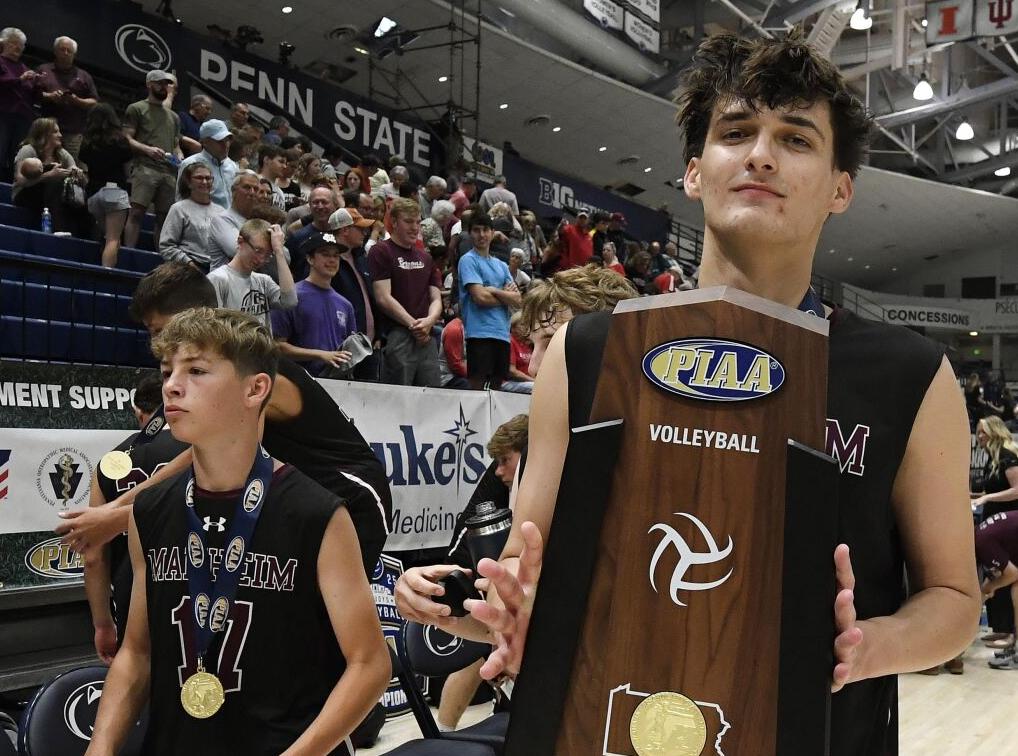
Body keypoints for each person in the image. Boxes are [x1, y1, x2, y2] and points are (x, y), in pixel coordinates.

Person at [426, 33, 982, 756]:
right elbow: (525, 570)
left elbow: (956, 600)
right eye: (736, 132)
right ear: (694, 173)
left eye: (796, 138)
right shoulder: (587, 351)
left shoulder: (910, 376)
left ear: (841, 188)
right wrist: (490, 607)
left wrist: (867, 646)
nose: (760, 155)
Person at [83, 307, 390, 756]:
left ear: (256, 388)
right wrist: (101, 747)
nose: (171, 384)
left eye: (197, 370)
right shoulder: (148, 511)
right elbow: (137, 653)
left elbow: (369, 664)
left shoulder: (317, 513)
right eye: (168, 371)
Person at [57, 262, 393, 580]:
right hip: (298, 498)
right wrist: (114, 507)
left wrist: (116, 518)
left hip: (350, 494)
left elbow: (221, 462)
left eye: (158, 330)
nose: (155, 344)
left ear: (194, 316)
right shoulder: (213, 370)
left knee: (321, 626)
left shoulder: (249, 369)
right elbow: (200, 458)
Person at [393, 265, 637, 625]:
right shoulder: (530, 449)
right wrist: (436, 605)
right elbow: (505, 617)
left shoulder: (660, 445)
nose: (536, 366)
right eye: (532, 345)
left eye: (553, 342)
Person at [84, 371, 190, 663]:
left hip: (133, 600)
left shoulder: (109, 463)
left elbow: (93, 555)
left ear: (138, 412)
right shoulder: (202, 451)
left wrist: (103, 623)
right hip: (197, 592)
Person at [437, 414, 529, 732]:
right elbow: (459, 558)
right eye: (496, 463)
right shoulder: (491, 498)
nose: (499, 470)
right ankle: (445, 732)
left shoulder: (540, 471)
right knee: (480, 651)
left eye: (505, 461)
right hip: (477, 573)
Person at [369, 197, 443, 387]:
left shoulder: (426, 257)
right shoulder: (381, 251)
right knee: (398, 398)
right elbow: (383, 297)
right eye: (408, 221)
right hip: (398, 334)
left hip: (426, 335)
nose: (415, 227)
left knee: (433, 396)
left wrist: (429, 321)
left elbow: (436, 298)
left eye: (418, 222)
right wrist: (415, 325)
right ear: (393, 222)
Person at [271, 231, 356, 377]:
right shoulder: (292, 297)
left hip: (337, 384)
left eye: (335, 255)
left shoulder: (345, 304)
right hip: (299, 381)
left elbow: (350, 351)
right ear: (310, 259)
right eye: (325, 254)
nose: (332, 260)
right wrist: (320, 355)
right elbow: (276, 346)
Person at [457, 212, 521, 390]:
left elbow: (517, 299)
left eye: (485, 230)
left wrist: (492, 290)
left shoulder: (501, 265)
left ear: (492, 233)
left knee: (497, 389)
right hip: (479, 333)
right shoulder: (468, 260)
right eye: (476, 230)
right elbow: (480, 297)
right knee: (477, 388)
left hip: (502, 334)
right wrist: (503, 295)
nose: (481, 235)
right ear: (470, 234)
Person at [971, 415, 1018, 645]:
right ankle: (1001, 629)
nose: (979, 436)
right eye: (978, 432)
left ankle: (1011, 634)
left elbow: (1016, 490)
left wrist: (987, 497)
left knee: (1008, 575)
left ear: (995, 432)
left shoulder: (1009, 456)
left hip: (1009, 525)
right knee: (998, 574)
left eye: (983, 432)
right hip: (995, 521)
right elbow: (992, 491)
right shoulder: (994, 459)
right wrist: (976, 496)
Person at [123, 70, 183, 248]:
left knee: (164, 218)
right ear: (149, 84)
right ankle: (128, 252)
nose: (163, 87)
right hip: (145, 167)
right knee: (136, 213)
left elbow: (176, 143)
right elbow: (127, 138)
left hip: (168, 171)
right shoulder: (137, 108)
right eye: (159, 83)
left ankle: (160, 257)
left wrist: (179, 155)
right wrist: (147, 149)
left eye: (166, 84)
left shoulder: (174, 117)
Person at [207, 218, 297, 330]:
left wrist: (278, 251)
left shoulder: (263, 281)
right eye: (258, 250)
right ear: (240, 242)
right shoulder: (218, 279)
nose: (261, 260)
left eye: (267, 255)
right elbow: (214, 328)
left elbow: (290, 302)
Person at [12, 116, 88, 234]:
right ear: (44, 134)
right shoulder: (28, 150)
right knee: (55, 183)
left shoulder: (62, 153)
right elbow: (20, 181)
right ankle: (58, 229)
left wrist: (78, 175)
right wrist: (48, 175)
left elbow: (80, 177)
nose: (60, 135)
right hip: (25, 194)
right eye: (55, 132)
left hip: (51, 196)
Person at [80, 104, 134, 267]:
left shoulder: (87, 143)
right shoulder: (119, 140)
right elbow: (128, 170)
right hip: (114, 191)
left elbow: (85, 169)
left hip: (93, 194)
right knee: (113, 239)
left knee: (107, 236)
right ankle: (107, 276)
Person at [34, 36, 98, 162]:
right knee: (39, 162)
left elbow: (94, 102)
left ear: (74, 54)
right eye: (62, 49)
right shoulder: (43, 70)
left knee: (67, 167)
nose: (66, 53)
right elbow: (32, 94)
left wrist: (76, 100)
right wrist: (50, 96)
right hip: (46, 130)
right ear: (55, 51)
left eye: (69, 51)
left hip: (73, 132)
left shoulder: (84, 76)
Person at [159, 163, 225, 271]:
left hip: (217, 270)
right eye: (199, 178)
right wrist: (189, 264)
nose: (204, 182)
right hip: (187, 269)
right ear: (189, 183)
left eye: (208, 178)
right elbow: (167, 246)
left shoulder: (221, 211)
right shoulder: (178, 209)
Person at [977, 513, 1018, 669]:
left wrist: (988, 588)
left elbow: (1012, 574)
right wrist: (990, 585)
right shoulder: (981, 535)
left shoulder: (982, 542)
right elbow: (999, 570)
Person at [177, 118, 238, 210]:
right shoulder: (190, 163)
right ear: (204, 142)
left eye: (227, 140)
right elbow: (180, 199)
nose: (225, 145)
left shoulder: (233, 166)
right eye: (219, 141)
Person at [0, 27, 35, 182]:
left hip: (23, 118)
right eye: (14, 43)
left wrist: (39, 83)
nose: (18, 47)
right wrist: (19, 80)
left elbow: (32, 93)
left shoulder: (25, 68)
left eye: (21, 44)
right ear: (3, 43)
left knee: (16, 156)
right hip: (3, 113)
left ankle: (10, 185)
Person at [207, 170, 261, 269]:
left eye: (256, 189)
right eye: (247, 187)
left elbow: (285, 255)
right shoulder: (221, 219)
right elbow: (237, 251)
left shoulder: (258, 219)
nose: (252, 192)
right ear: (233, 190)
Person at [500, 313, 534, 394]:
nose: (526, 327)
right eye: (522, 324)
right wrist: (534, 380)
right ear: (513, 327)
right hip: (509, 382)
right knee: (537, 387)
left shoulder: (528, 343)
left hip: (526, 382)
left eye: (528, 324)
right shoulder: (510, 341)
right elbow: (512, 371)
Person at [256, 143, 288, 210]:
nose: (285, 166)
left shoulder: (280, 194)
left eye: (285, 164)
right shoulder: (252, 181)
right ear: (267, 160)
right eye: (281, 162)